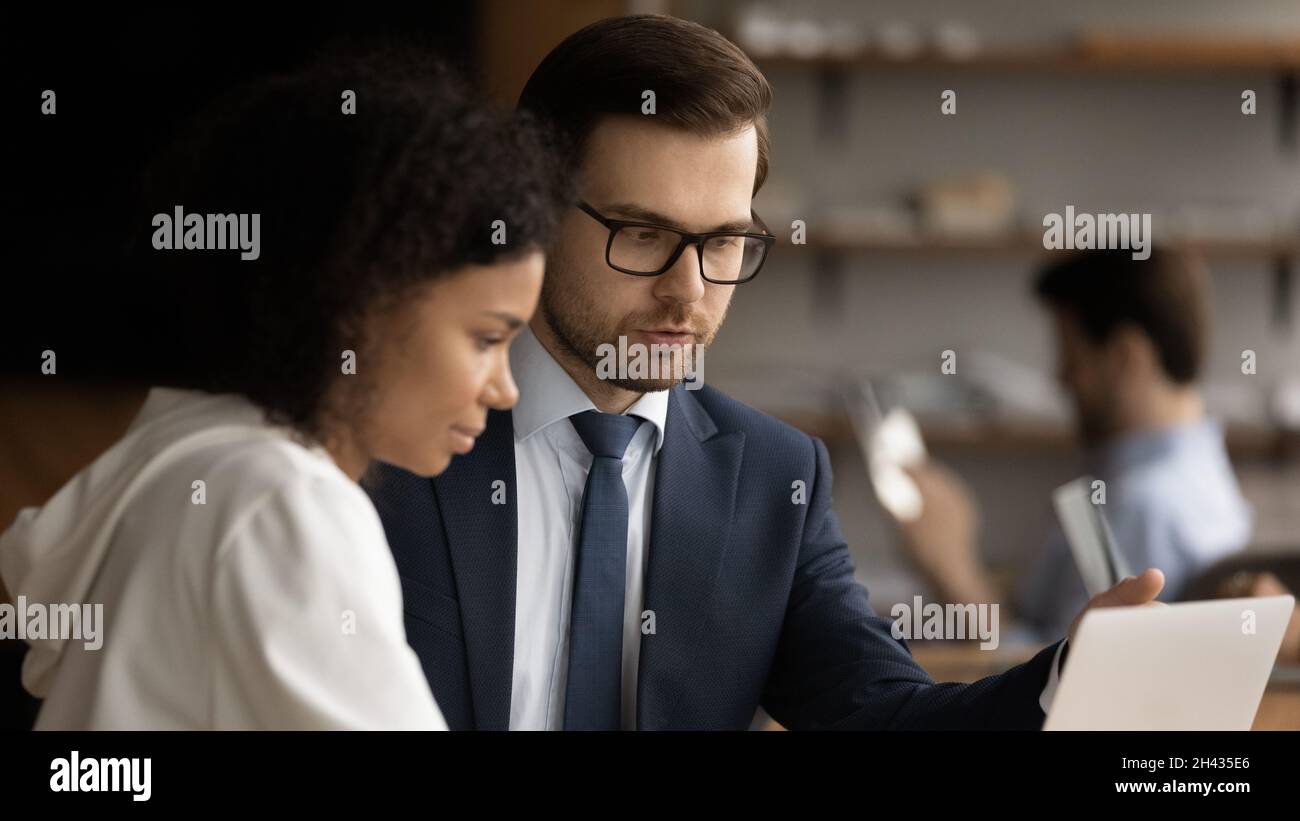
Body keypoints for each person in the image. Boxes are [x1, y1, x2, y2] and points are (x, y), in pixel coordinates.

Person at [367, 15, 1163, 731]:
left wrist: (1067, 677)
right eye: (643, 235)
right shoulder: (387, 435)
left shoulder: (776, 478)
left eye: (723, 244)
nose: (689, 291)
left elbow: (884, 715)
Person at [0, 51, 565, 728]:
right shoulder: (280, 500)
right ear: (356, 301)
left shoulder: (183, 459)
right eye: (486, 337)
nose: (504, 387)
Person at [898, 249, 1252, 642]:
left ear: (1124, 356)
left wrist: (954, 571)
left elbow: (1066, 679)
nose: (1061, 379)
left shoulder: (1146, 503)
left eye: (1071, 355)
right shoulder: (1178, 475)